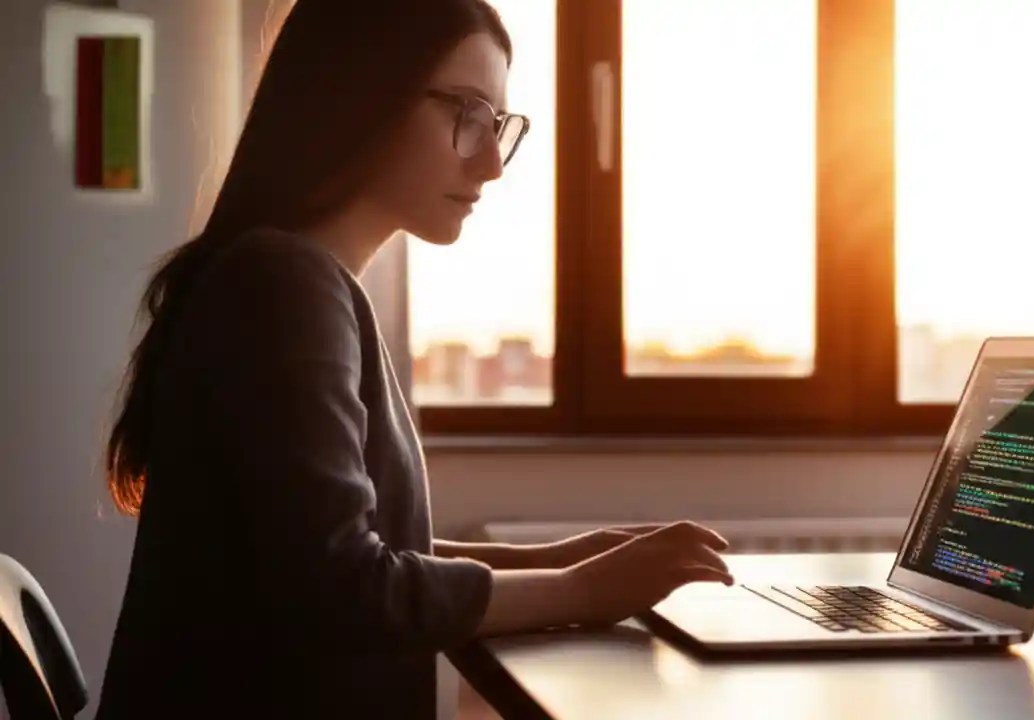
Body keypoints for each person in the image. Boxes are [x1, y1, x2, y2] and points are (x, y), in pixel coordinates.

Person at [95, 1, 733, 717]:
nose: (491, 162)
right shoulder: (282, 285)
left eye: (498, 127)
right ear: (361, 95)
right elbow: (344, 587)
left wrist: (569, 558)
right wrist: (585, 589)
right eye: (467, 112)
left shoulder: (293, 278)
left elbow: (356, 551)